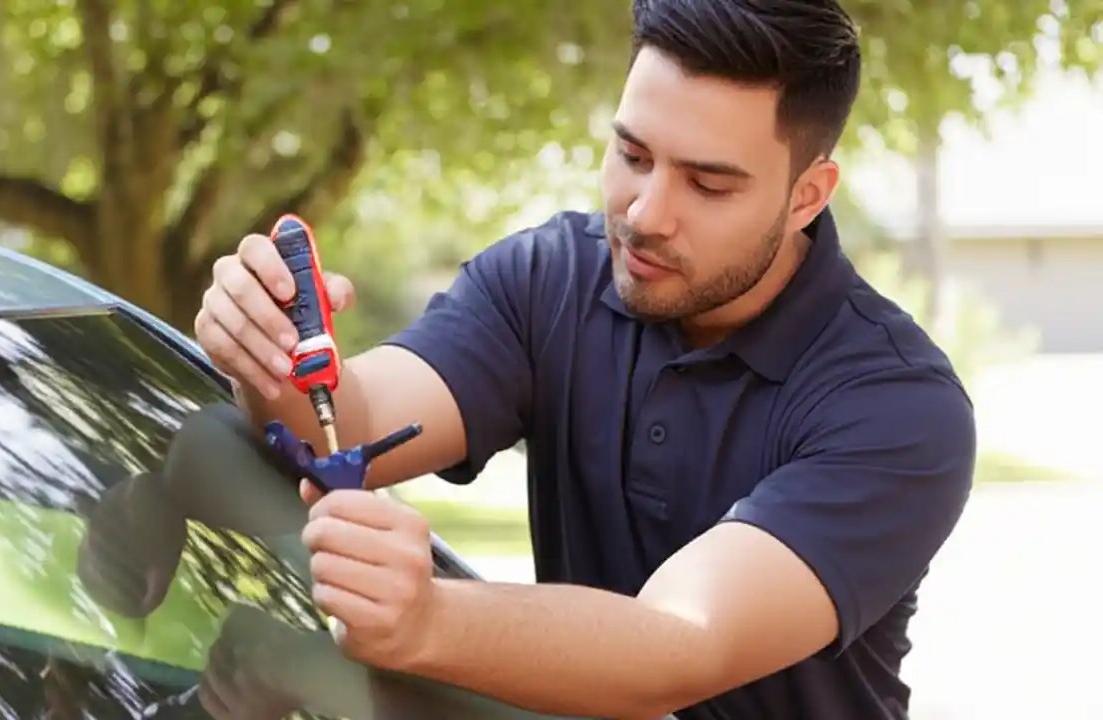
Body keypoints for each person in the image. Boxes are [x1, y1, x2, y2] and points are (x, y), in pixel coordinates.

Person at [194, 0, 977, 718]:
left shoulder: (898, 406)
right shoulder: (547, 281)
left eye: (707, 185)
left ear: (807, 196)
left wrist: (427, 619)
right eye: (633, 155)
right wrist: (265, 351)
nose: (645, 213)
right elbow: (348, 422)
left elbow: (681, 641)